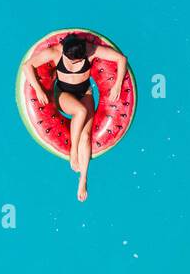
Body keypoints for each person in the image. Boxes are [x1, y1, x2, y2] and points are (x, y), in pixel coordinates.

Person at [25, 33, 126, 201]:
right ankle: (73, 150)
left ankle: (83, 178)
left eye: (80, 61)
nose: (77, 63)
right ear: (65, 53)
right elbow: (27, 66)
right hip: (63, 94)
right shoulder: (55, 53)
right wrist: (38, 88)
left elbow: (121, 59)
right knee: (80, 111)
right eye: (73, 61)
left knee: (86, 136)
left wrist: (117, 84)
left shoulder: (90, 50)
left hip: (85, 92)